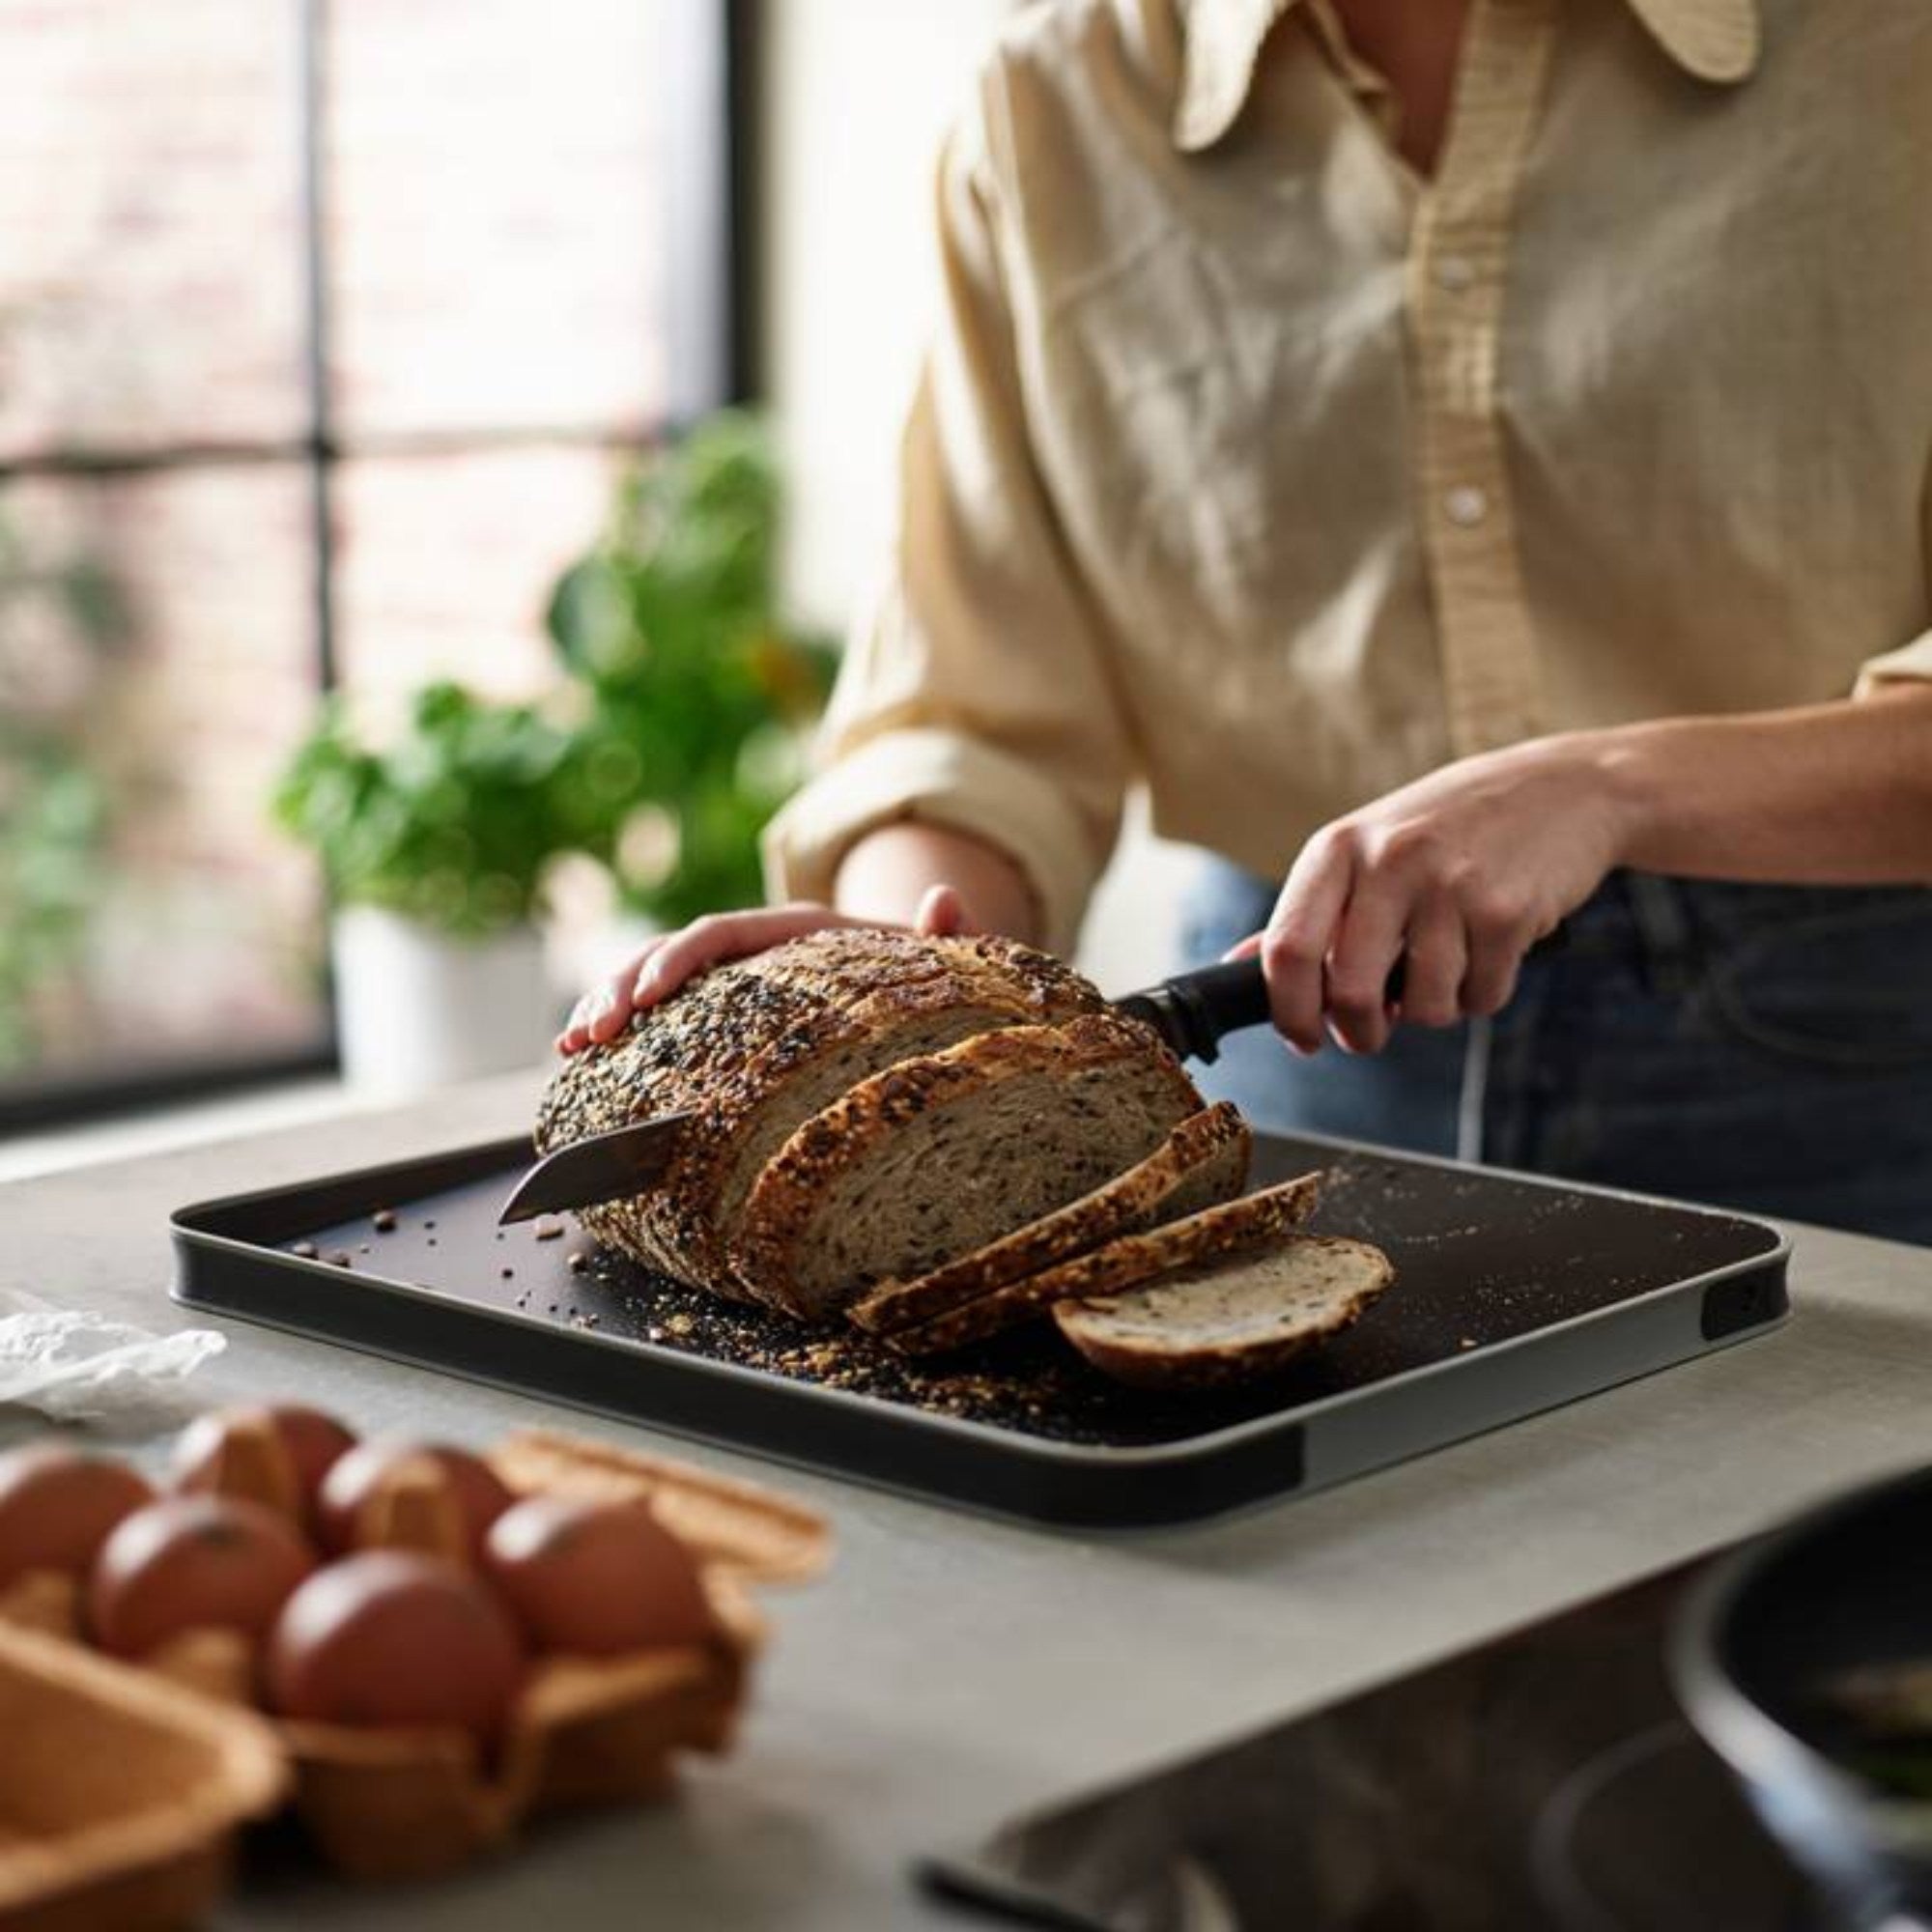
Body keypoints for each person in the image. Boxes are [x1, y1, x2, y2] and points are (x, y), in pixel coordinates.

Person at [561, 0, 1932, 1243]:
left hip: (1856, 1054)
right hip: (1280, 1039)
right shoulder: (1053, 103)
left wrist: (1605, 785)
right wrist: (905, 988)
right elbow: (972, 719)